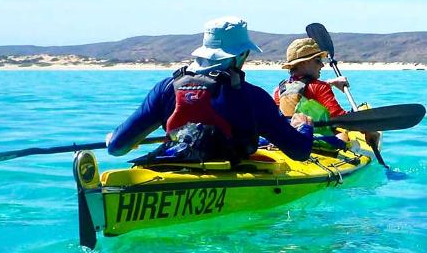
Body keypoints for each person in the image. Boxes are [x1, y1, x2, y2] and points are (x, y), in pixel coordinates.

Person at [105, 17, 315, 163]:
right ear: (241, 55)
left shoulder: (165, 89)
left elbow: (116, 148)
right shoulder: (254, 97)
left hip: (173, 169)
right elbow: (299, 152)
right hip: (230, 177)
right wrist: (304, 127)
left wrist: (115, 138)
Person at [273, 37, 352, 149]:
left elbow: (303, 90)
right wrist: (366, 129)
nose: (322, 65)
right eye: (318, 60)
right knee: (343, 135)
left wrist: (331, 83)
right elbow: (340, 118)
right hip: (313, 142)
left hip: (286, 139)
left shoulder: (279, 90)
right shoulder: (320, 87)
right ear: (303, 63)